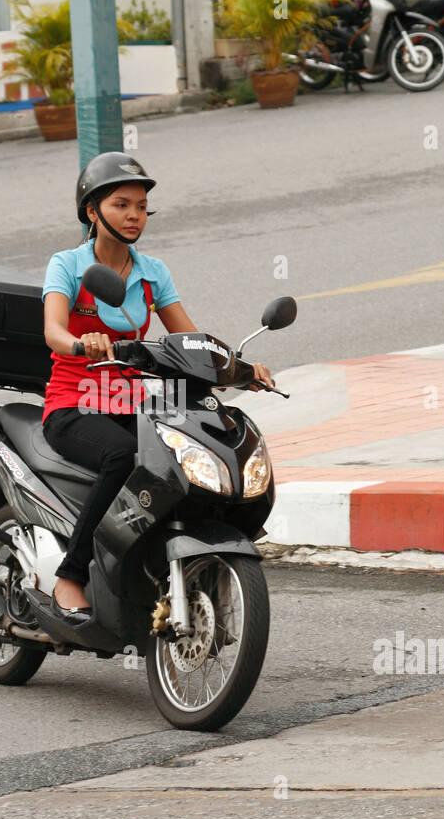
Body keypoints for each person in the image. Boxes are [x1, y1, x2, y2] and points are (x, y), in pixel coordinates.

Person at [39, 152, 275, 622]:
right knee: (122, 458)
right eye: (122, 205)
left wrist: (242, 370)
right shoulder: (68, 264)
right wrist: (81, 344)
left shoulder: (153, 272)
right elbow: (52, 330)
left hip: (136, 399)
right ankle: (71, 574)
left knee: (180, 455)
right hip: (74, 403)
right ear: (92, 211)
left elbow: (190, 339)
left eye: (142, 207)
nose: (134, 216)